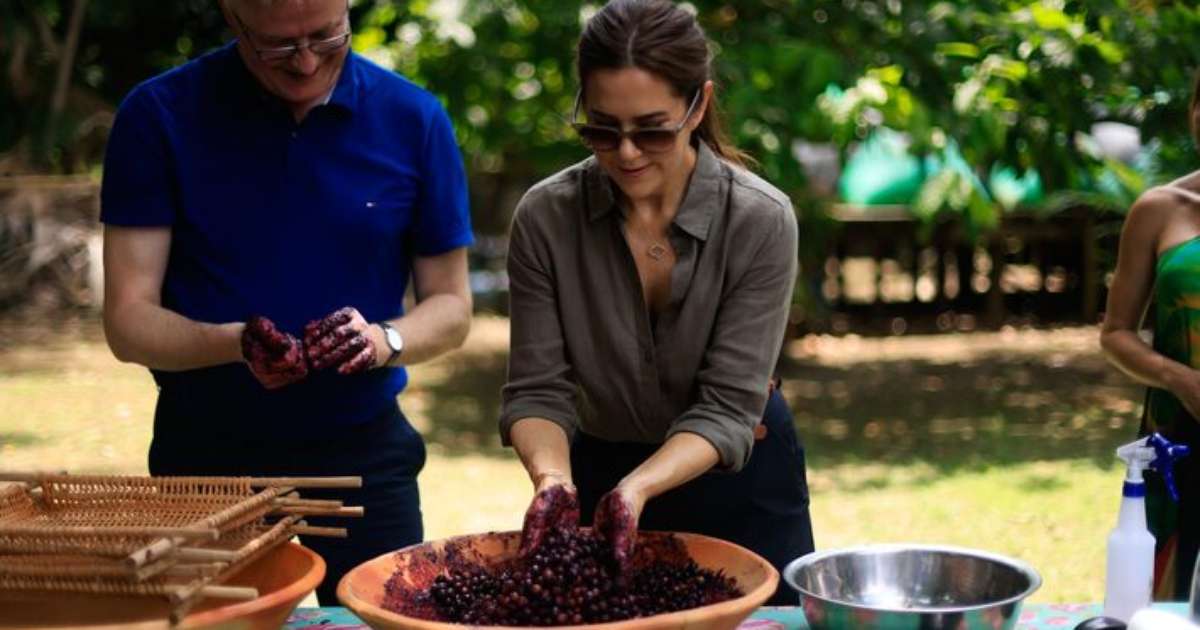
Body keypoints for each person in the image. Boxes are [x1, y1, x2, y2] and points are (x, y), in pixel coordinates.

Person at [100, 0, 473, 603]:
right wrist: (236, 343)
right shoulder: (158, 115)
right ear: (232, 18)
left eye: (327, 37)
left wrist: (382, 340)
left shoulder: (414, 118)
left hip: (364, 457)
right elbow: (128, 322)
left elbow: (452, 306)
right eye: (278, 46)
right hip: (205, 459)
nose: (305, 64)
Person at [498, 0, 813, 604]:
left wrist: (636, 489)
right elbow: (538, 390)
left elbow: (726, 409)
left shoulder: (760, 219)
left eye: (651, 128)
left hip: (740, 478)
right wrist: (555, 481)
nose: (626, 153)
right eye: (600, 128)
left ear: (698, 105)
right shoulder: (545, 216)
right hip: (598, 467)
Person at [1100, 73, 1200, 601]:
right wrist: (1180, 379)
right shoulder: (1160, 209)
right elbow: (1116, 333)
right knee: (1166, 602)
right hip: (1178, 447)